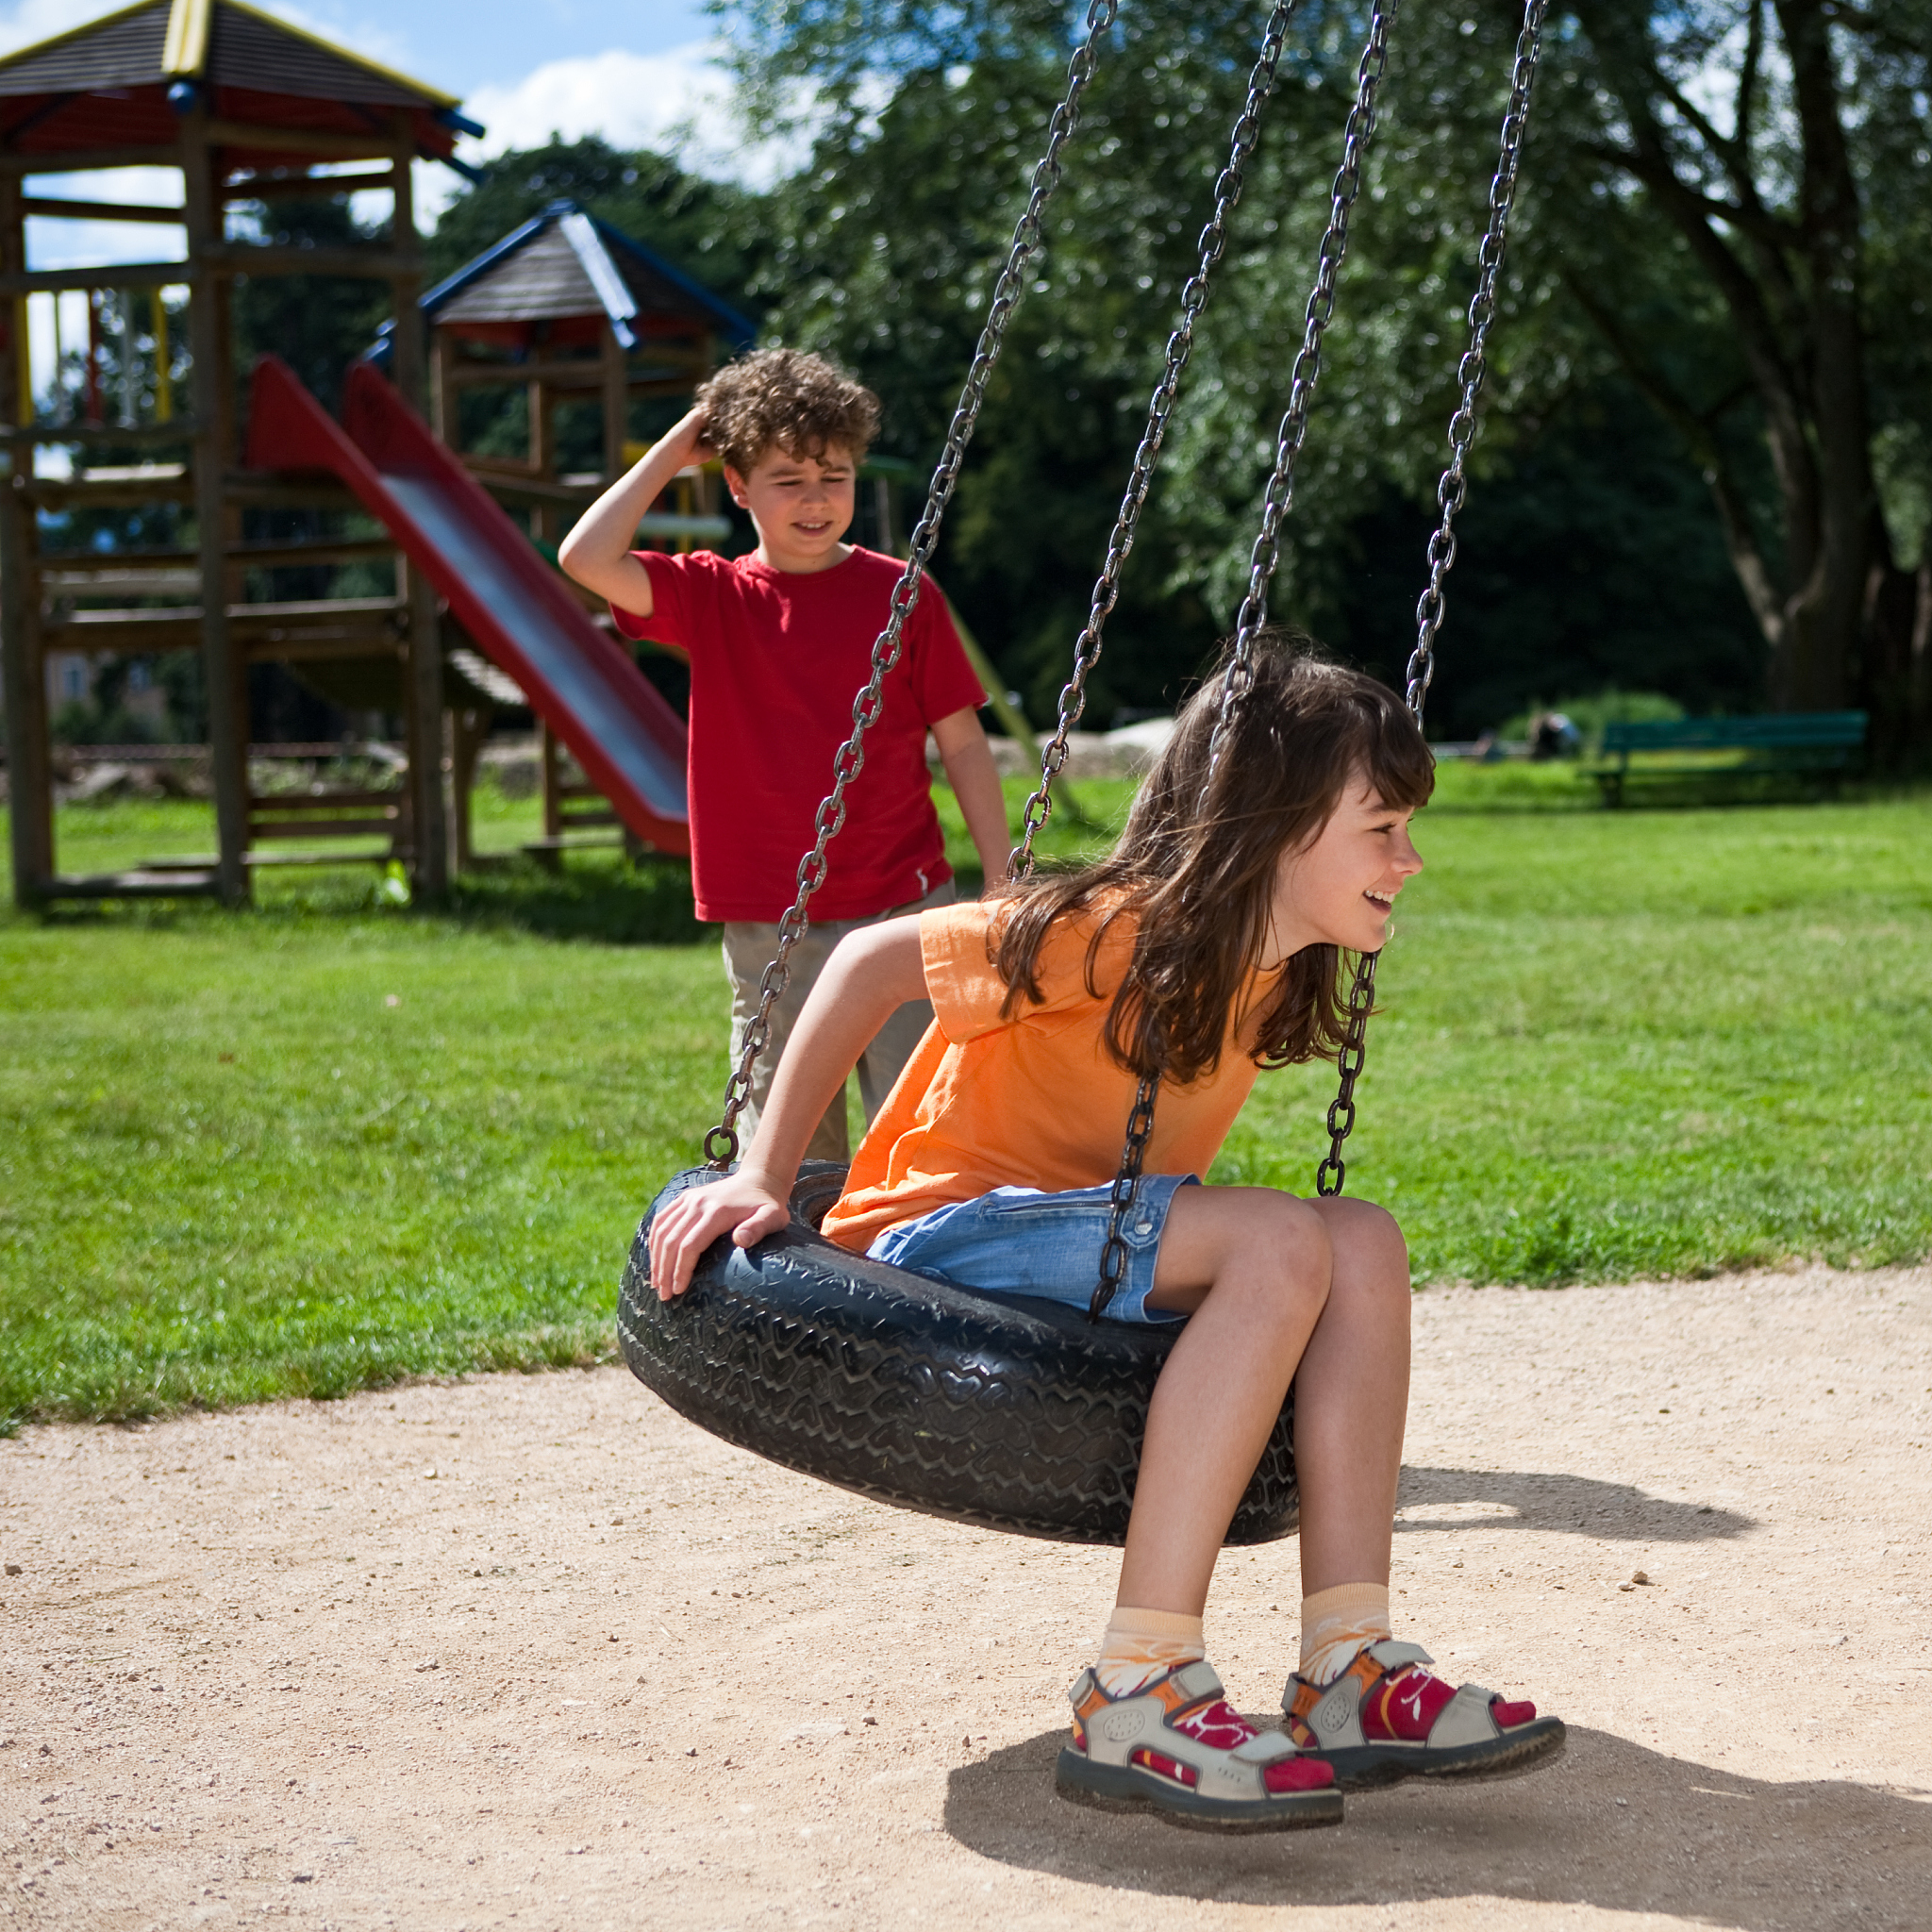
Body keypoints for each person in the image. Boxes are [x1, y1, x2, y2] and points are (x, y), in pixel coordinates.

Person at [647, 635, 1564, 1831]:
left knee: (1362, 1240)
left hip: (1069, 1231)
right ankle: (1138, 1681)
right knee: (1284, 1242)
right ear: (1272, 828)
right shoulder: (1118, 929)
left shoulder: (1277, 965)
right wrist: (766, 1171)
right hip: (937, 1230)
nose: (1411, 857)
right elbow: (869, 960)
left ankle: (1347, 1662)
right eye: (1380, 827)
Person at [559, 347, 1011, 1161]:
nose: (815, 500)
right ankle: (804, 1282)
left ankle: (917, 1280)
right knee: (792, 1153)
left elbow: (965, 744)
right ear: (737, 486)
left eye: (833, 476)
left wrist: (1000, 876)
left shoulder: (902, 594)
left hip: (902, 905)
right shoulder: (712, 595)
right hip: (773, 919)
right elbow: (585, 559)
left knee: (923, 1137)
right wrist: (677, 447)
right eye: (787, 479)